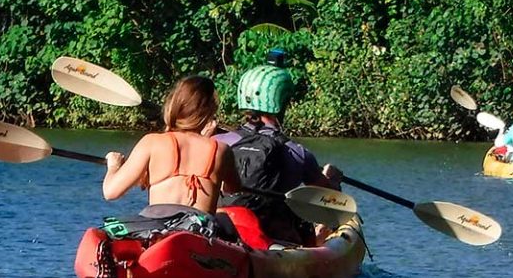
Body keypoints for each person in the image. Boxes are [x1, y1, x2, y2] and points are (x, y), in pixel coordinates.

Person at [214, 56, 343, 246]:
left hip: (223, 231)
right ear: (282, 103)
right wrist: (333, 180)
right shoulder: (297, 152)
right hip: (274, 240)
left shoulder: (217, 143)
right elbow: (329, 200)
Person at [101, 75, 240, 214]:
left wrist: (114, 166)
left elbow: (110, 192)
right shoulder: (221, 150)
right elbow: (232, 189)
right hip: (199, 230)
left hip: (159, 228)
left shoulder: (152, 143)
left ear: (174, 105)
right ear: (209, 112)